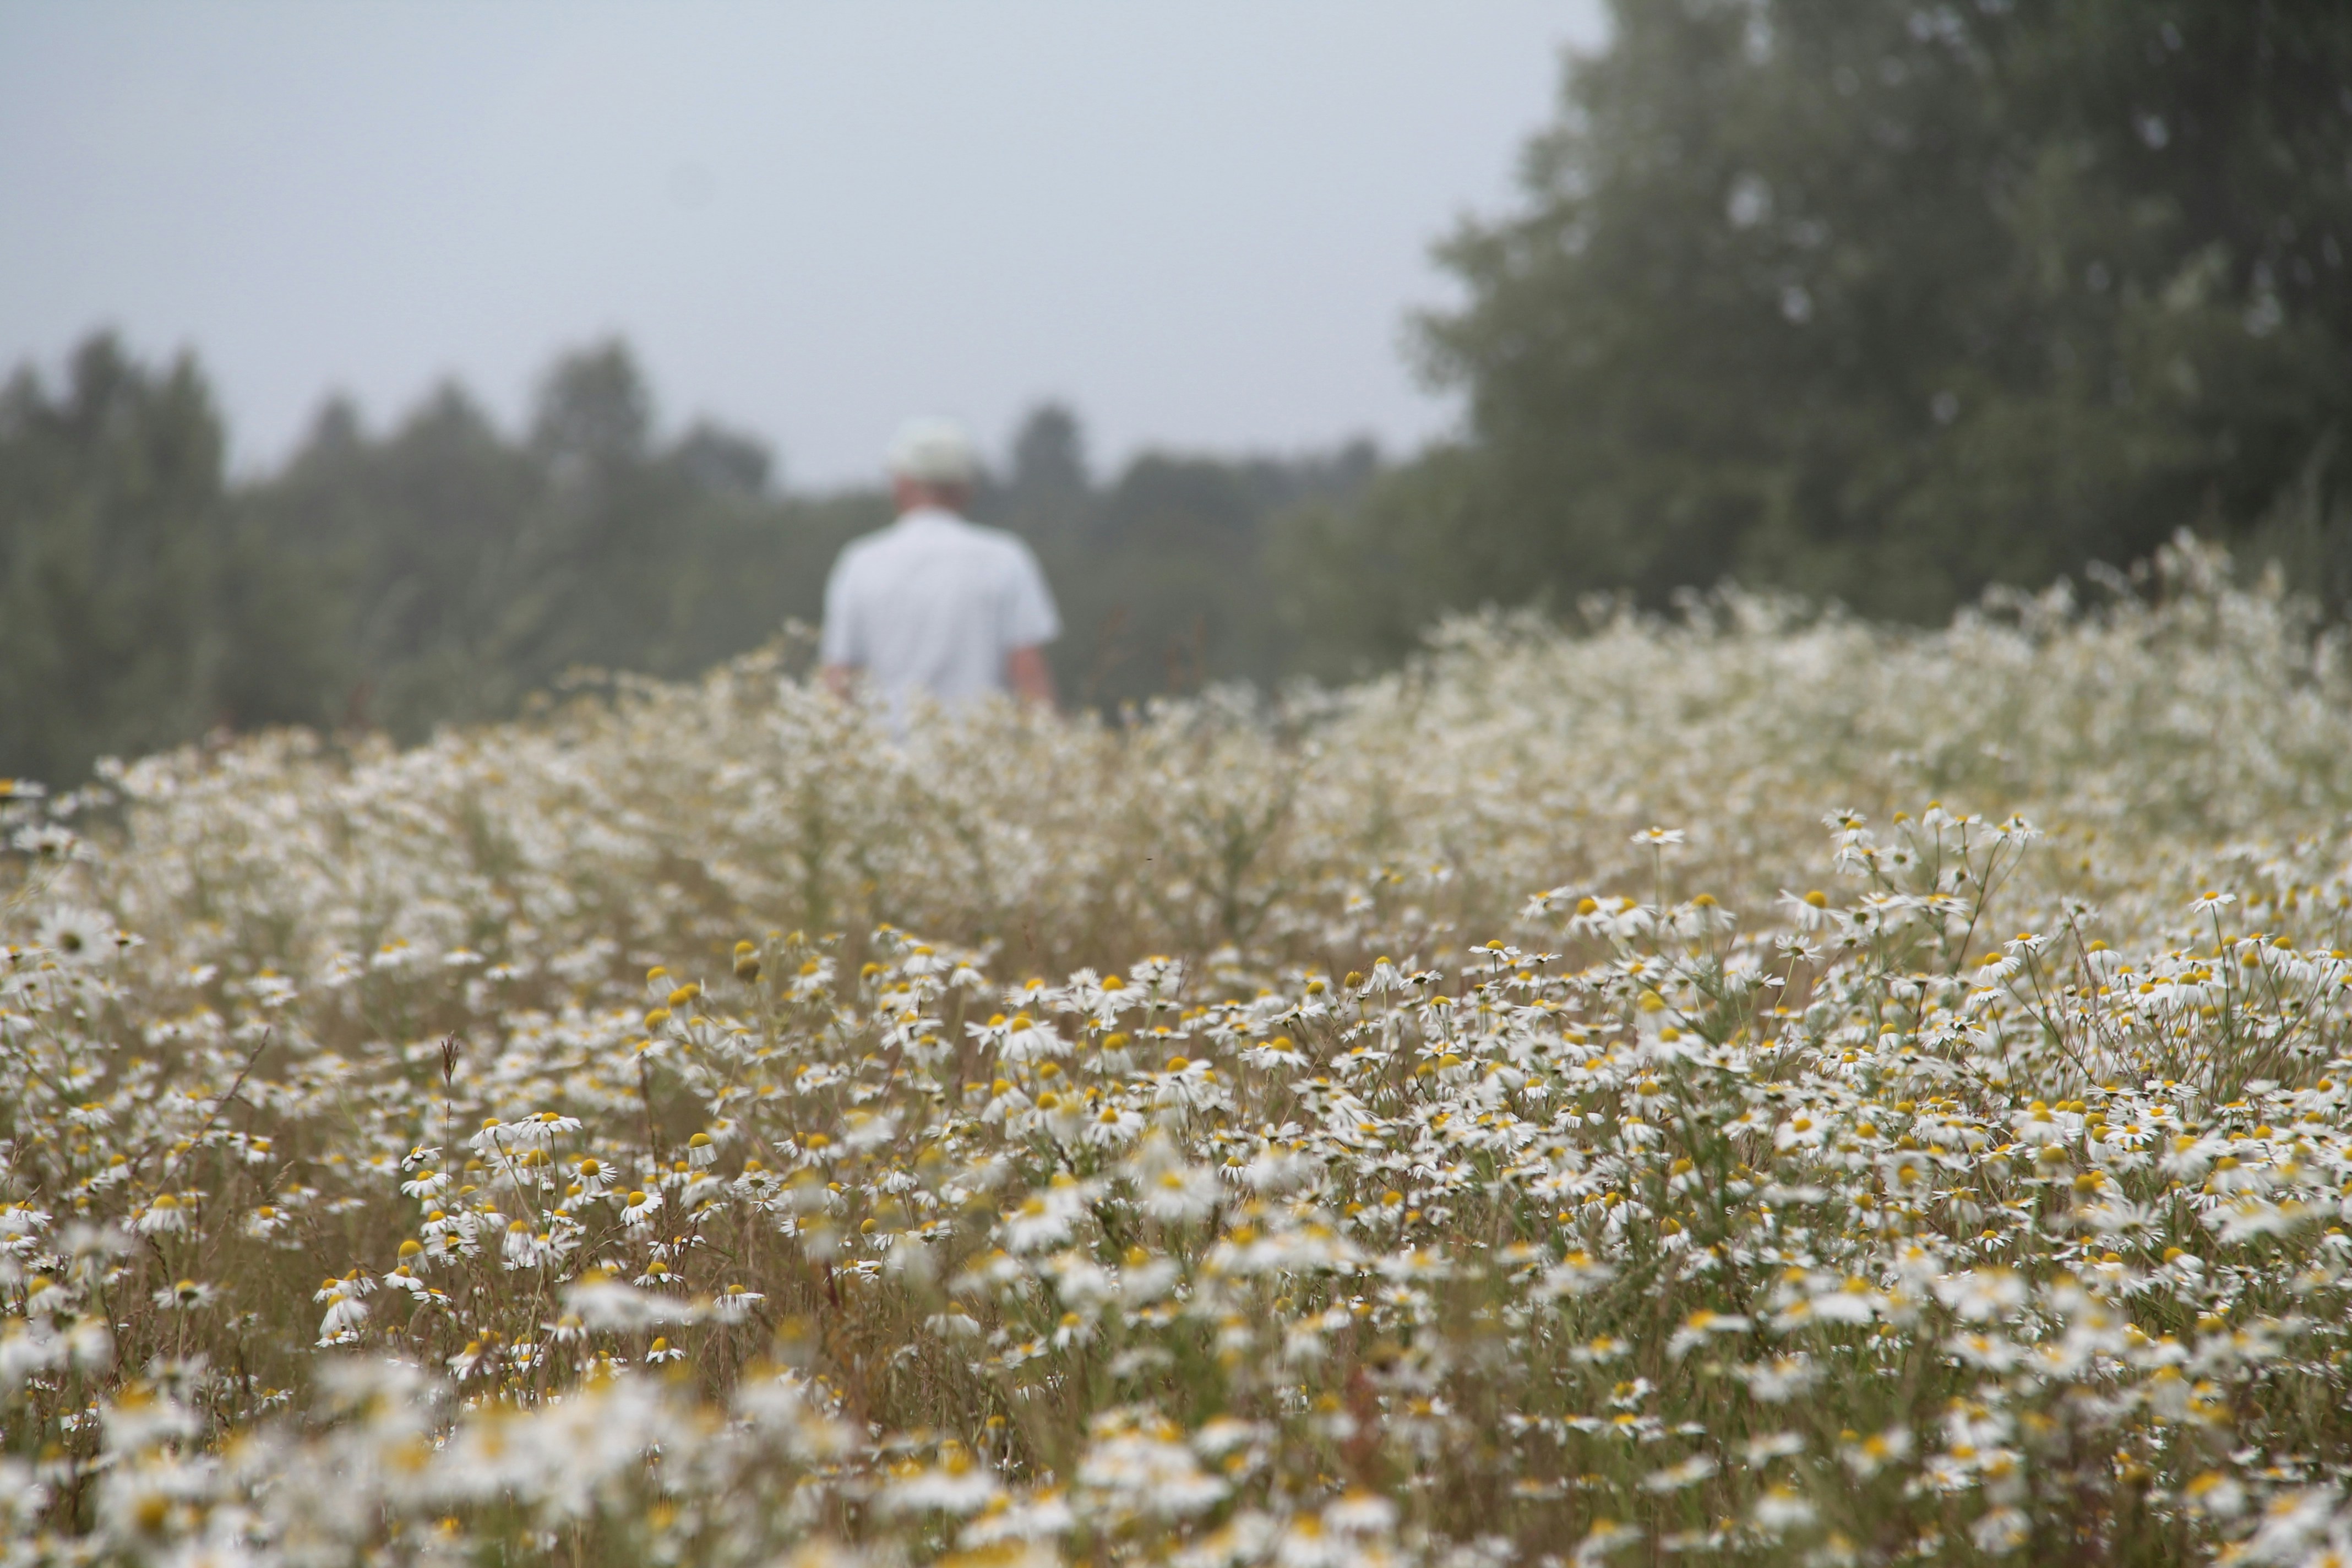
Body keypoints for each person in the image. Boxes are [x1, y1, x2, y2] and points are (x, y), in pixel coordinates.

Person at [819, 418, 1060, 723]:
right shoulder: (1005, 558)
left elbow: (839, 680)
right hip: (979, 757)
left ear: (902, 484)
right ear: (965, 488)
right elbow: (1028, 673)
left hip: (885, 757)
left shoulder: (860, 562)